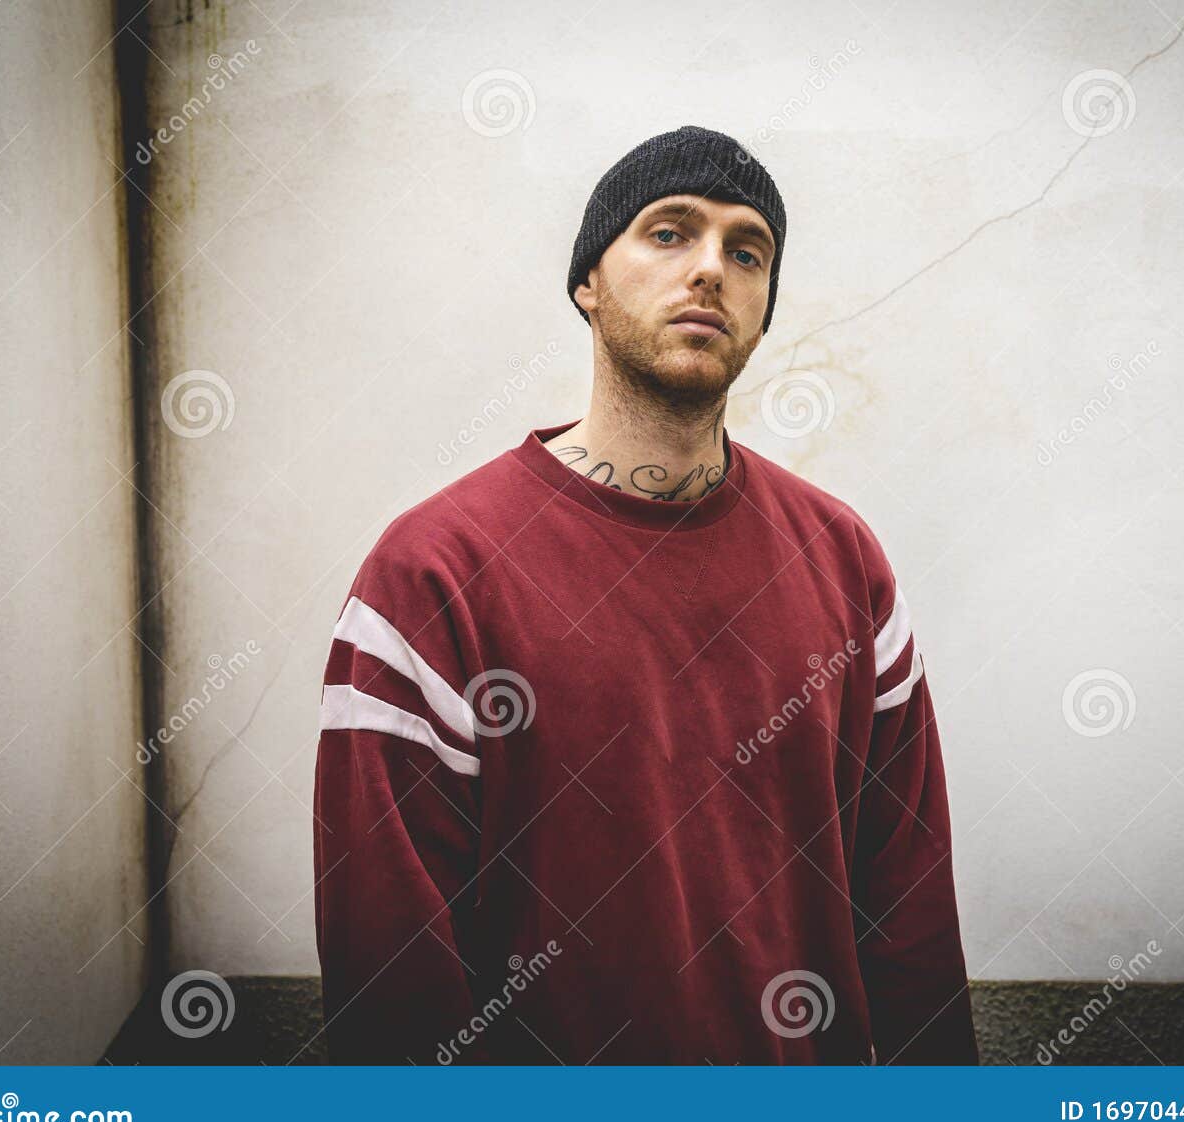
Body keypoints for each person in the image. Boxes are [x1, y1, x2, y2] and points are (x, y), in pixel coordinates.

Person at [312, 125, 978, 1065]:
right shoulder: (433, 574)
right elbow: (389, 971)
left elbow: (908, 913)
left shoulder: (844, 563)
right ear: (588, 282)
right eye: (669, 234)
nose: (711, 268)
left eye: (748, 251)